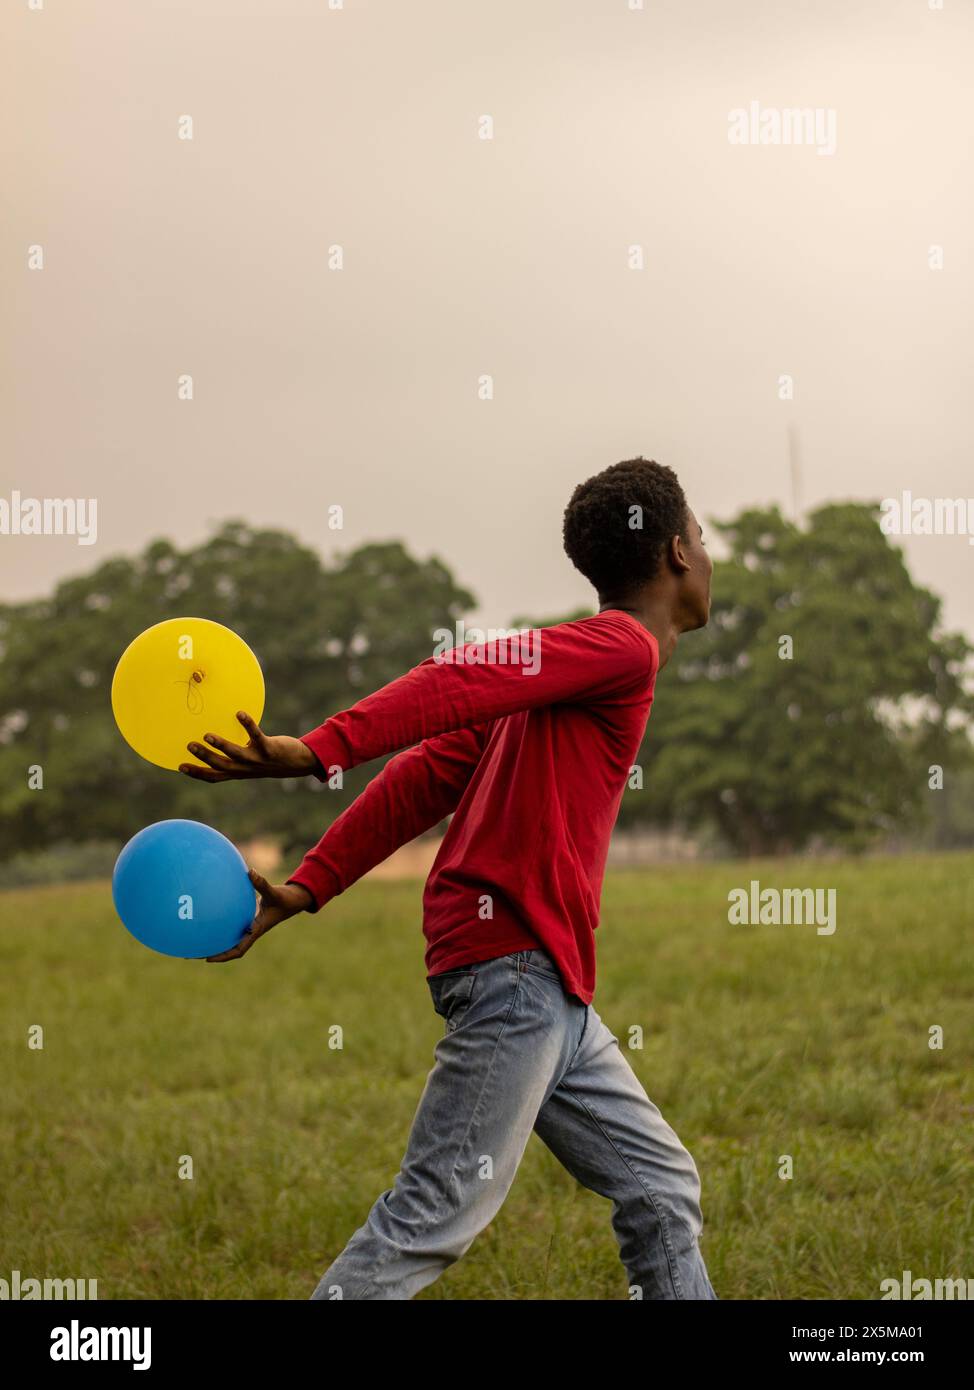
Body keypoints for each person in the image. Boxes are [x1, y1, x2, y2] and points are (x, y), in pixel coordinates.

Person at [179, 456, 716, 1300]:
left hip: (551, 983)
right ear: (680, 552)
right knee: (432, 1214)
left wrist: (310, 883)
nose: (709, 552)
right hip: (515, 969)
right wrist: (321, 748)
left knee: (660, 1189)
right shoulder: (621, 646)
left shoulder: (583, 675)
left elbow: (425, 774)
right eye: (705, 534)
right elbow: (464, 675)